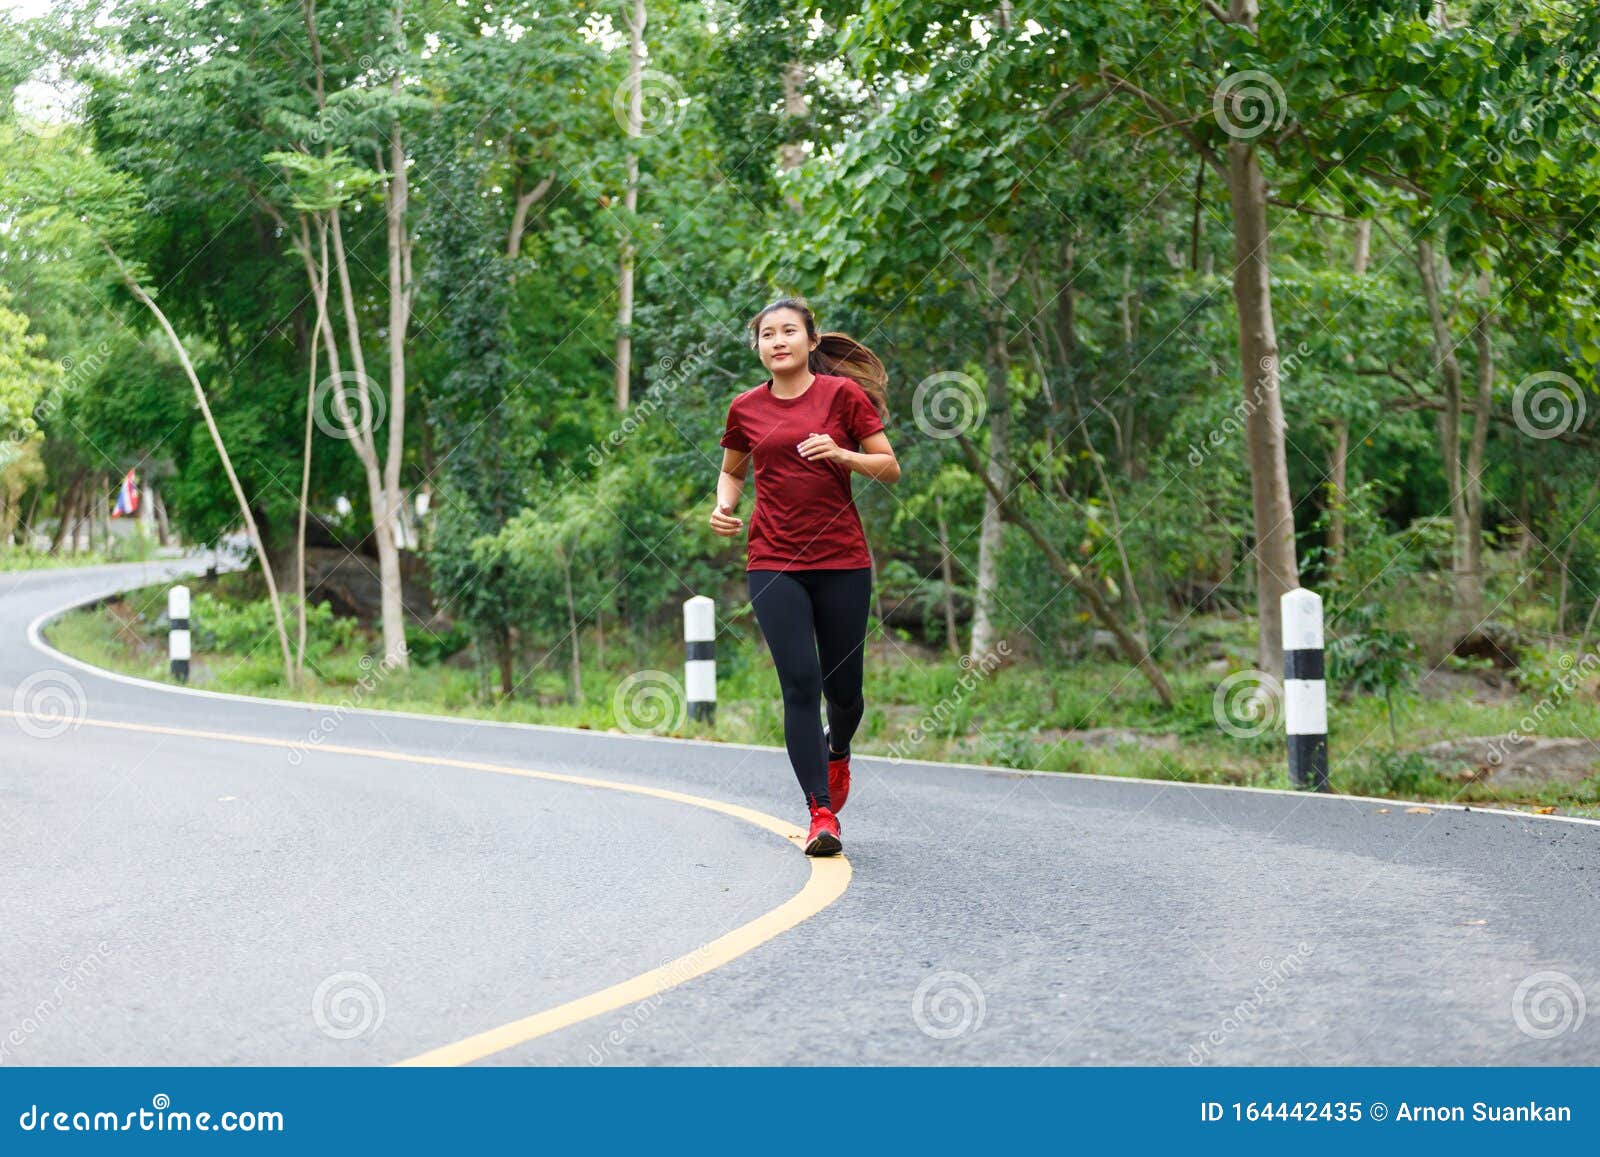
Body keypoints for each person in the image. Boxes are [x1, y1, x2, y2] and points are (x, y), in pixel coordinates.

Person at [710, 297, 901, 856]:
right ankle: (821, 815)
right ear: (758, 347)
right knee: (799, 684)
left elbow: (888, 466)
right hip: (773, 561)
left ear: (811, 341)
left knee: (845, 694)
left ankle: (838, 749)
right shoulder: (745, 408)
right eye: (767, 334)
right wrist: (724, 505)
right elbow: (732, 472)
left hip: (842, 561)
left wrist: (843, 455)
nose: (778, 341)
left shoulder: (842, 396)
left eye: (789, 331)